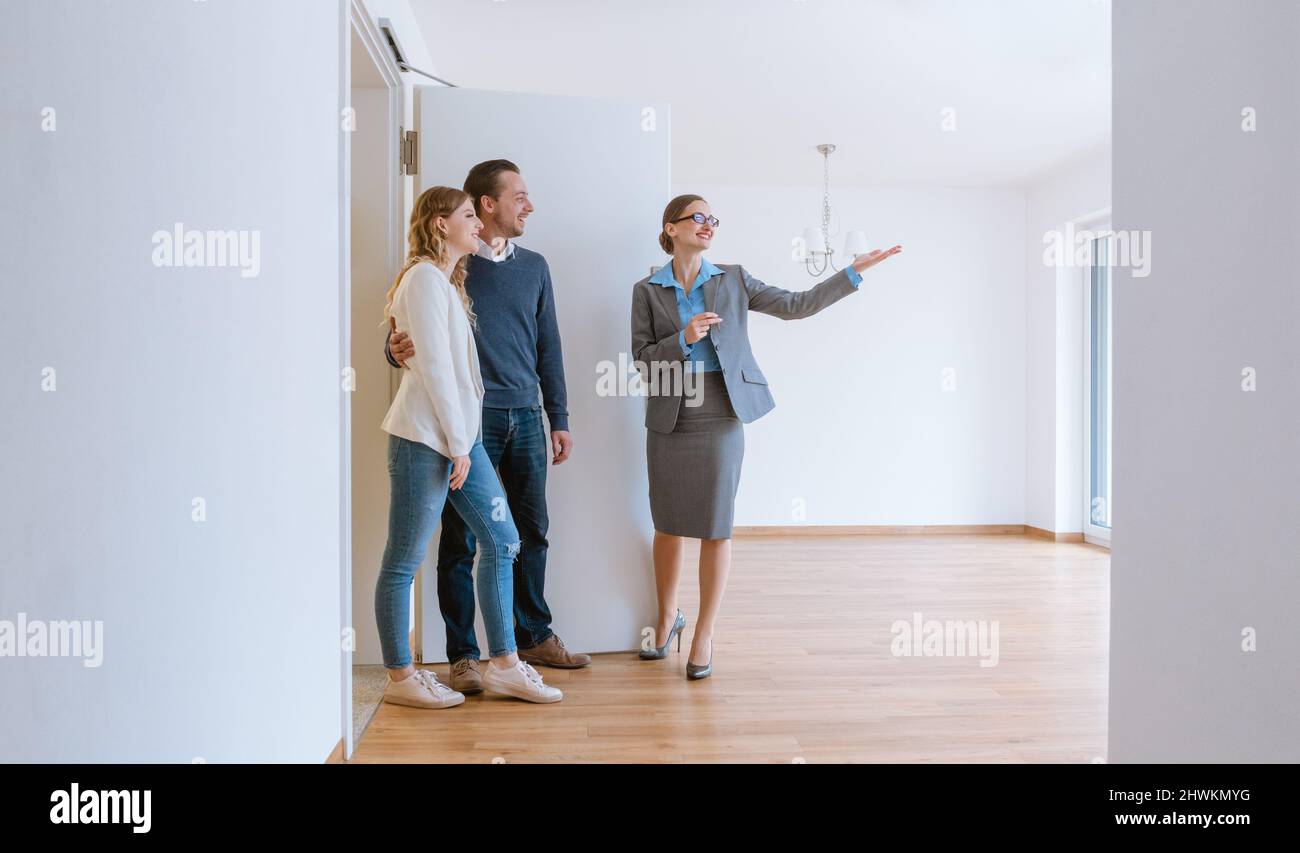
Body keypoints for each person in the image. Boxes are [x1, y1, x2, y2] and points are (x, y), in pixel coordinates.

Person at [630, 193, 901, 679]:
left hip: (721, 410)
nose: (708, 224)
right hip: (670, 412)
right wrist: (684, 339)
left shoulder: (732, 278)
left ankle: (704, 633)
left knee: (715, 524)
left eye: (713, 218)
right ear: (671, 228)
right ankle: (667, 617)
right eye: (698, 217)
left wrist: (852, 273)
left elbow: (796, 306)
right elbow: (643, 358)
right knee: (667, 522)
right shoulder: (647, 290)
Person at [376, 185, 563, 708]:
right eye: (467, 217)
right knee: (403, 561)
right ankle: (401, 679)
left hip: (460, 438)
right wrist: (461, 445)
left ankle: (504, 663)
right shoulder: (423, 280)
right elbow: (433, 367)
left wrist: (464, 443)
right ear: (441, 224)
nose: (477, 226)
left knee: (504, 540)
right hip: (426, 440)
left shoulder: (445, 281)